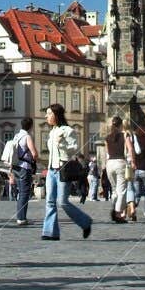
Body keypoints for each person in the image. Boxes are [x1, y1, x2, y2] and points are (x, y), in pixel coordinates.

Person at [41, 103, 93, 241]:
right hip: (51, 170)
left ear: (56, 115)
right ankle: (50, 232)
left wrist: (61, 144)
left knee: (62, 202)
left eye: (49, 113)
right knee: (50, 201)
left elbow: (74, 148)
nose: (46, 116)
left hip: (63, 170)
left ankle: (85, 222)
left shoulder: (67, 131)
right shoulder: (52, 132)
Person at [8, 117, 38, 225]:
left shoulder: (17, 136)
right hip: (24, 167)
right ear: (31, 126)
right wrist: (35, 158)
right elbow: (34, 154)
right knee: (24, 193)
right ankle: (21, 218)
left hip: (16, 166)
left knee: (21, 193)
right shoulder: (27, 137)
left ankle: (22, 217)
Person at [103, 116, 129, 223]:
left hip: (110, 164)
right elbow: (130, 149)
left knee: (114, 190)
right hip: (120, 162)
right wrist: (133, 161)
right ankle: (117, 214)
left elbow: (107, 153)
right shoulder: (124, 135)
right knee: (121, 190)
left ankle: (114, 206)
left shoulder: (107, 138)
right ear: (121, 125)